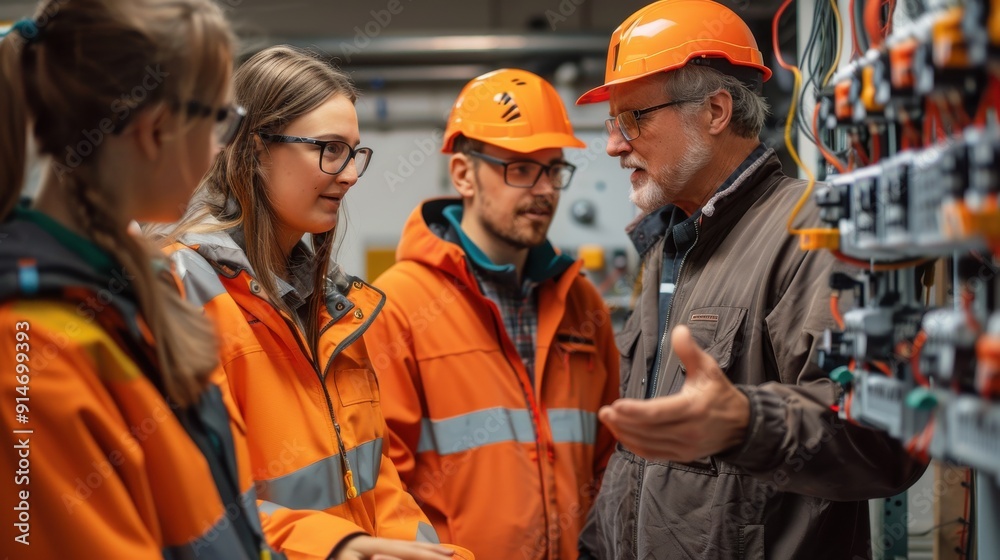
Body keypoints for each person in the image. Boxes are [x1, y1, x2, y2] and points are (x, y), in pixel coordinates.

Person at [574, 1, 926, 558]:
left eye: (634, 119)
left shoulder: (816, 234)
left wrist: (744, 424)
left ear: (715, 111)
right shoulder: (667, 245)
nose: (615, 145)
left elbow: (888, 442)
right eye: (612, 124)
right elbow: (637, 462)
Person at [159, 45, 474, 560]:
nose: (349, 174)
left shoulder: (331, 307)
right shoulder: (184, 293)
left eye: (354, 152)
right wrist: (336, 547)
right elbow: (185, 501)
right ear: (255, 149)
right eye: (329, 149)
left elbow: (378, 485)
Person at [0, 1, 277, 558]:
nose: (225, 143)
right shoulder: (27, 348)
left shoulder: (143, 291)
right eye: (222, 119)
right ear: (156, 130)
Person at [366, 68, 620, 560]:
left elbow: (609, 457)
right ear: (463, 174)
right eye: (520, 168)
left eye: (553, 168)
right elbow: (380, 483)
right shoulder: (396, 307)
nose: (544, 189)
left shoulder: (581, 302)